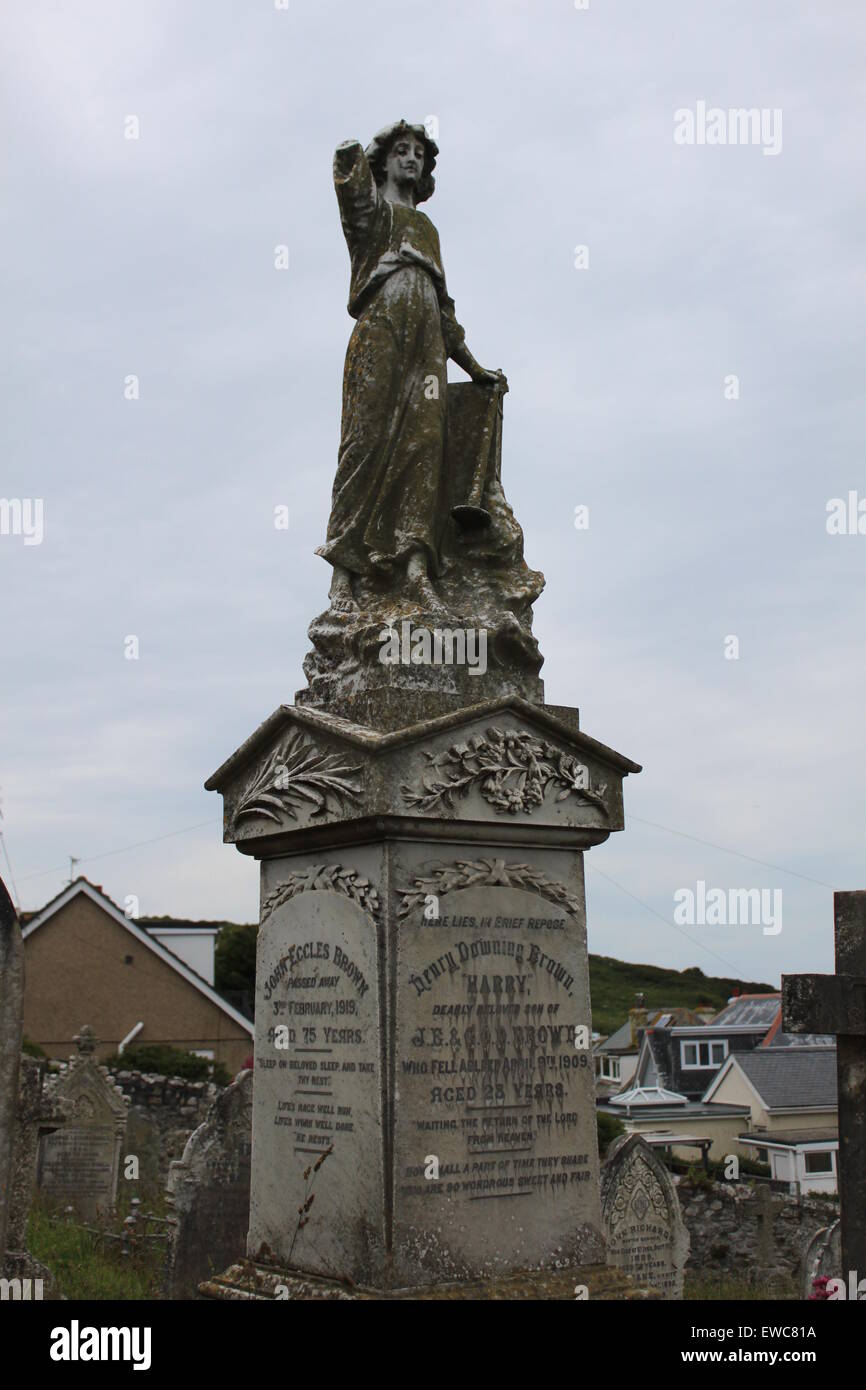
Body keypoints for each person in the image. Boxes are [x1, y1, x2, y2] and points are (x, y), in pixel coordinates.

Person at [316, 120, 506, 614]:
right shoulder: (375, 215)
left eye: (419, 153)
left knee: (425, 444)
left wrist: (475, 368)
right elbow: (352, 193)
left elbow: (446, 311)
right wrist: (351, 158)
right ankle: (345, 573)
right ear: (384, 160)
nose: (412, 159)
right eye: (401, 151)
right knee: (365, 443)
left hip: (427, 345)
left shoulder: (427, 230)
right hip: (380, 332)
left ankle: (416, 566)